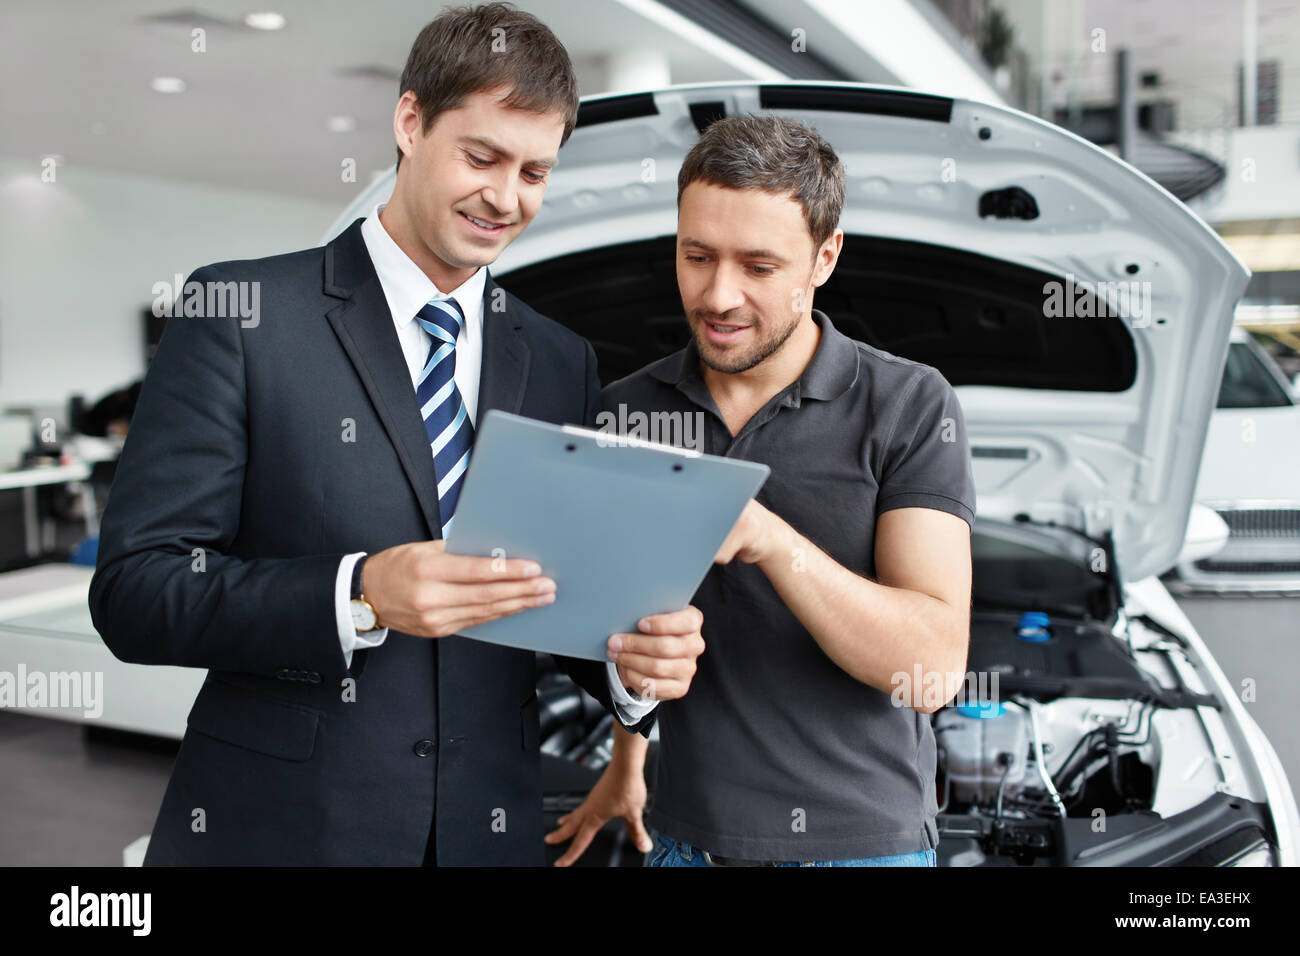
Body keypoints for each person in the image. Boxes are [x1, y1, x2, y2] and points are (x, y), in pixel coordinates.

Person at [88, 2, 705, 867]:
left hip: (485, 832)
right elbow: (135, 592)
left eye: (535, 171)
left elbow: (555, 598)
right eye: (482, 157)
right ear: (410, 121)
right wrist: (359, 593)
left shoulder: (561, 359)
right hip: (284, 831)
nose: (505, 197)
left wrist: (632, 668)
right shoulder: (244, 315)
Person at [546, 114, 976, 867]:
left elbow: (933, 670)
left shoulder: (910, 405)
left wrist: (773, 541)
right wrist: (627, 761)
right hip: (685, 843)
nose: (718, 296)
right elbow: (630, 619)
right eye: (696, 256)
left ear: (825, 257)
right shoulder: (625, 411)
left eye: (759, 266)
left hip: (864, 849)